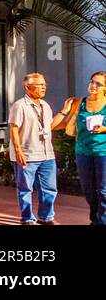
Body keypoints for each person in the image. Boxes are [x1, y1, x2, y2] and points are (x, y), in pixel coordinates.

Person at [9, 72, 75, 225]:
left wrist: (66, 111)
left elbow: (49, 126)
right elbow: (13, 129)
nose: (44, 87)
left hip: (47, 154)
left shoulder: (45, 106)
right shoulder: (19, 106)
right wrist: (18, 151)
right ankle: (27, 219)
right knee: (25, 189)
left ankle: (46, 217)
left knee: (49, 189)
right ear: (27, 87)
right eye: (40, 85)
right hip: (27, 154)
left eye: (44, 84)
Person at [62, 71, 106, 225]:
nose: (93, 85)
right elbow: (68, 122)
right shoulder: (80, 102)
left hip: (103, 152)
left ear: (104, 88)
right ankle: (96, 219)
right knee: (88, 189)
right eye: (92, 81)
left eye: (98, 84)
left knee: (103, 190)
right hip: (82, 151)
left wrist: (104, 129)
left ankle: (101, 222)